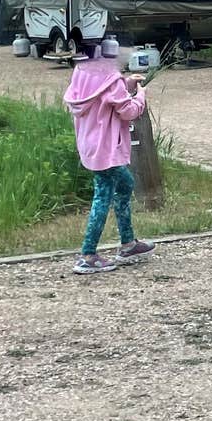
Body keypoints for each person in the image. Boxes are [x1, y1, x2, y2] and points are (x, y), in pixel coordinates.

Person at [63, 52, 157, 275]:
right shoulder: (111, 77)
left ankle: (128, 244)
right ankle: (88, 255)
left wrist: (127, 83)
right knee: (103, 196)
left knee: (125, 184)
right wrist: (140, 95)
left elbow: (102, 92)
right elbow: (129, 111)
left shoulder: (83, 71)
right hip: (107, 149)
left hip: (90, 144)